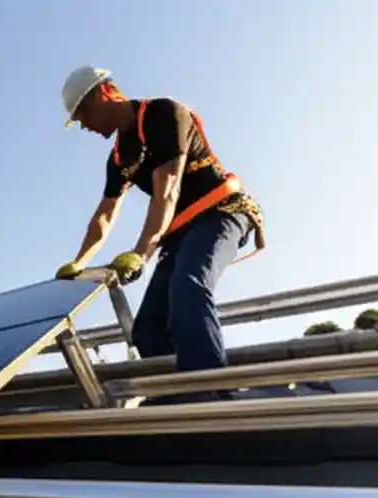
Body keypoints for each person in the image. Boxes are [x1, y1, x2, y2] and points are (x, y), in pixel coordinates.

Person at [54, 65, 265, 398]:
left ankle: (211, 398)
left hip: (221, 214)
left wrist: (140, 253)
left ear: (104, 94)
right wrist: (79, 261)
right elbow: (105, 214)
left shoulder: (163, 114)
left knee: (188, 286)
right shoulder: (120, 158)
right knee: (148, 331)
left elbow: (167, 191)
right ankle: (175, 401)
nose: (84, 125)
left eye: (84, 114)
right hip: (179, 234)